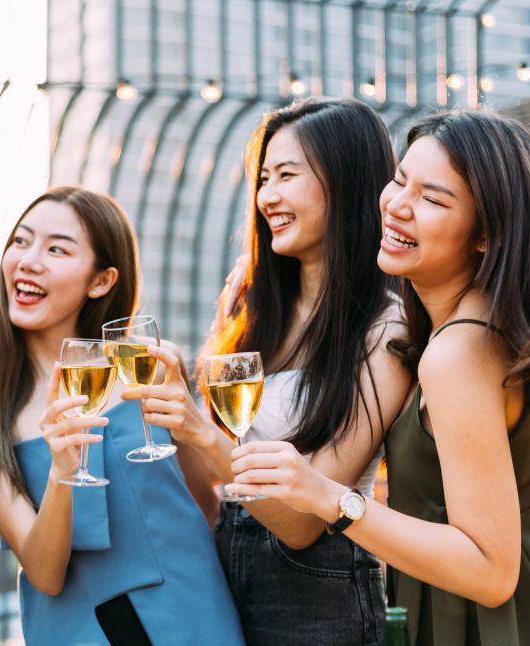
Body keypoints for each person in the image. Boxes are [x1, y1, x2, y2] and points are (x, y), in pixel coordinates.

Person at [229, 109, 530, 644]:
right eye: (399, 180)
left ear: (486, 236)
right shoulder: (464, 327)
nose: (396, 206)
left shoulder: (457, 353)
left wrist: (326, 495)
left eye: (432, 199)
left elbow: (490, 570)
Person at [121, 98, 411, 645]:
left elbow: (304, 523)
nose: (266, 196)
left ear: (345, 182)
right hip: (224, 564)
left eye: (287, 175)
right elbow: (214, 477)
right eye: (263, 177)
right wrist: (176, 409)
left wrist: (200, 431)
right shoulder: (252, 301)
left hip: (319, 588)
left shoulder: (385, 330)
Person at [0, 186, 244, 645]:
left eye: (56, 249)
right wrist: (63, 471)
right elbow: (44, 573)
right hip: (73, 629)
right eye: (20, 242)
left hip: (192, 615)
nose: (28, 260)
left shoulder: (150, 367)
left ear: (101, 281)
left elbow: (206, 505)